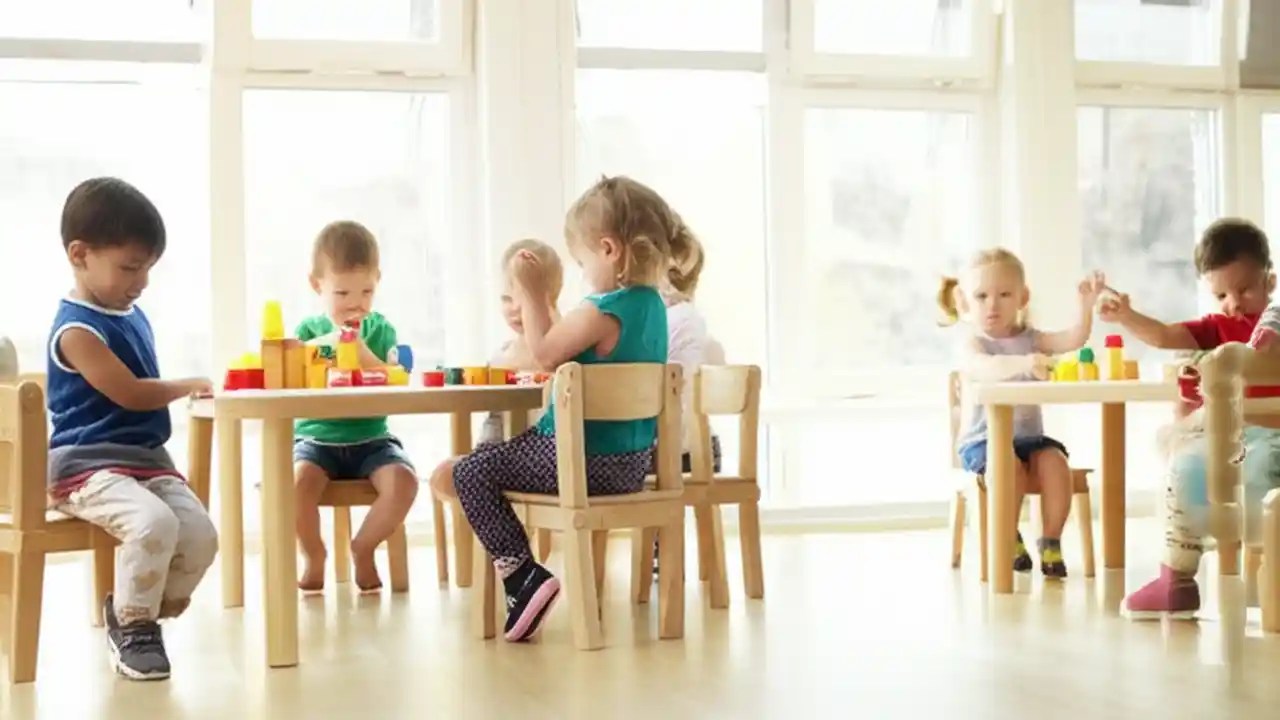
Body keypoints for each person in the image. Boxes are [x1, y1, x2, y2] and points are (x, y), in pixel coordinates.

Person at [428, 176, 683, 641]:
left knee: (469, 473)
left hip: (577, 460)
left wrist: (529, 290)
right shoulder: (654, 308)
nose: (584, 273)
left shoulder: (602, 309)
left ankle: (522, 575)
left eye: (583, 261)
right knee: (482, 467)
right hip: (629, 465)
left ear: (609, 250)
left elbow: (545, 352)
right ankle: (525, 576)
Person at [47, 177, 218, 680]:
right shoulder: (77, 330)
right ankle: (137, 625)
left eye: (147, 267)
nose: (141, 280)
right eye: (129, 267)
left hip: (144, 461)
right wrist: (188, 384)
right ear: (80, 255)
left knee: (203, 535)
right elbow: (130, 393)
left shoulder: (131, 313)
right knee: (154, 525)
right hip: (86, 466)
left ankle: (131, 614)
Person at [1115, 219, 1280, 618]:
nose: (1233, 302)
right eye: (1221, 293)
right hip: (1234, 438)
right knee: (1184, 468)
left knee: (1248, 474)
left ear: (1269, 282)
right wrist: (1126, 315)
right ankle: (1176, 580)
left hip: (1271, 439)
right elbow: (1163, 336)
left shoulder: (1273, 322)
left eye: (1245, 289)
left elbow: (1262, 346)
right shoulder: (1215, 328)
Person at [939, 247, 1104, 578]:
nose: (992, 305)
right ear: (964, 301)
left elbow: (1071, 339)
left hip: (1028, 438)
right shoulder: (973, 344)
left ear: (1022, 297)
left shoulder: (1031, 339)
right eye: (982, 296)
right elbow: (987, 368)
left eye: (1004, 295)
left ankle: (1051, 541)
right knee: (1008, 466)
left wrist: (1086, 309)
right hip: (982, 442)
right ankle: (1008, 535)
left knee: (1056, 463)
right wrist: (1026, 363)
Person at [292, 221, 419, 592]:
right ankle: (314, 554)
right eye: (342, 291)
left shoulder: (381, 331)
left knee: (404, 482)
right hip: (316, 440)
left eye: (367, 291)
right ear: (318, 286)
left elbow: (397, 377)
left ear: (377, 281)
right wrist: (329, 347)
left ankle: (364, 547)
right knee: (296, 486)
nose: (355, 302)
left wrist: (363, 353)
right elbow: (295, 375)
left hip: (371, 438)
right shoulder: (308, 332)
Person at [477, 238, 564, 446]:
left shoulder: (566, 352)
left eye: (524, 299)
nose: (515, 308)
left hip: (551, 458)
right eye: (506, 299)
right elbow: (492, 427)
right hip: (504, 463)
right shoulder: (500, 358)